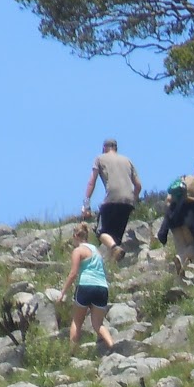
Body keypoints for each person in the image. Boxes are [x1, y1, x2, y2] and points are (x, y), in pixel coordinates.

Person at [60, 223, 114, 354]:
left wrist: (63, 292)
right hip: (102, 287)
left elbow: (73, 273)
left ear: (75, 236)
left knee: (77, 321)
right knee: (98, 324)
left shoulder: (78, 251)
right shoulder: (97, 251)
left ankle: (72, 352)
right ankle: (112, 346)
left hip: (85, 286)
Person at [83, 138, 141, 259]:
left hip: (112, 199)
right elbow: (138, 185)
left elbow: (91, 182)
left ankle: (114, 249)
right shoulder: (127, 160)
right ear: (116, 148)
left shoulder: (100, 158)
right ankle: (113, 259)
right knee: (115, 237)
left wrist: (86, 204)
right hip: (128, 201)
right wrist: (133, 200)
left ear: (104, 148)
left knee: (101, 233)